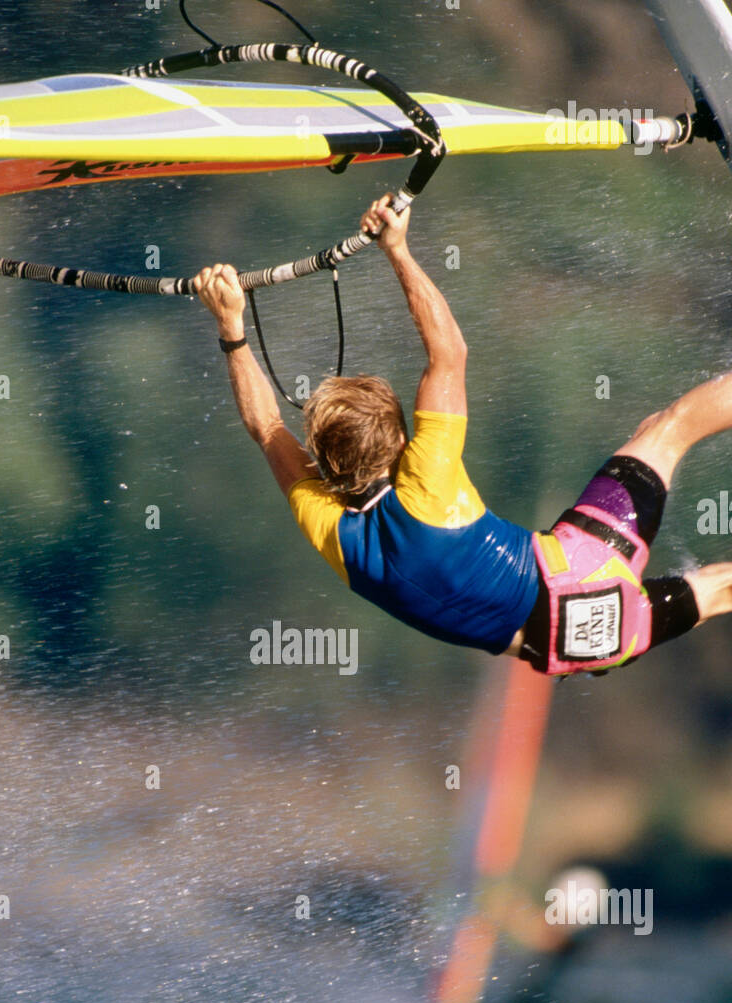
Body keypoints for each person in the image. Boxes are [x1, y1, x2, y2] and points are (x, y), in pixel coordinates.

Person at [194, 196, 732, 676]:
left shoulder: (330, 529)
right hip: (585, 569)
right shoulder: (426, 482)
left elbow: (266, 428)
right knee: (669, 428)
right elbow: (449, 355)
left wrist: (230, 327)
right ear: (402, 445)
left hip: (580, 646)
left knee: (717, 589)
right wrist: (398, 251)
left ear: (323, 462)